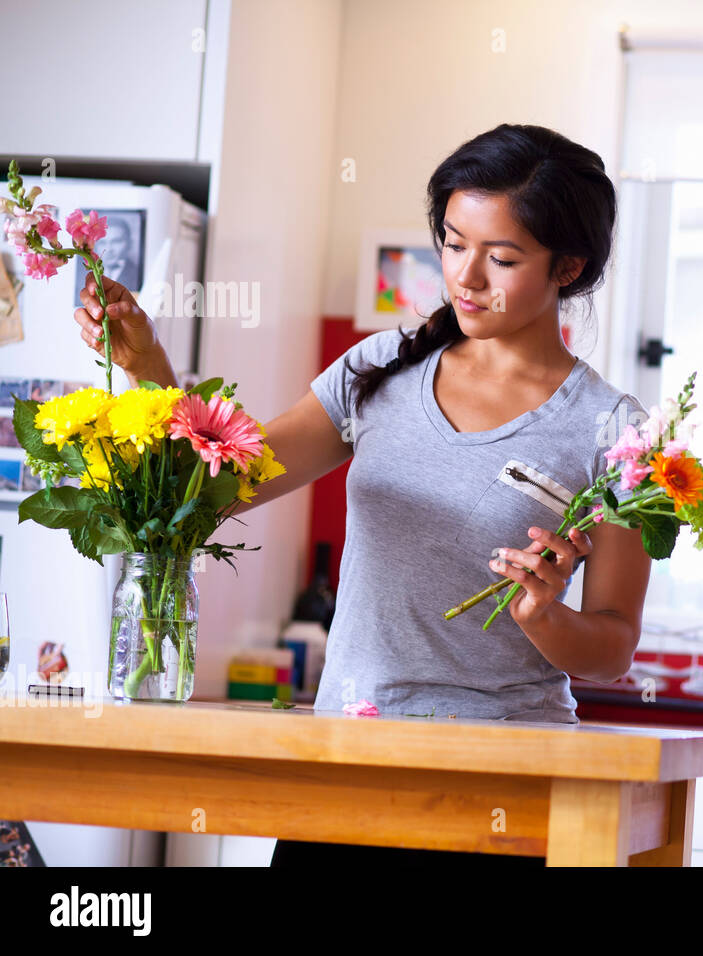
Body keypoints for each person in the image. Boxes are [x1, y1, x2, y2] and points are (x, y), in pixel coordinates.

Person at [72, 123, 653, 867]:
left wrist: (545, 617)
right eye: (452, 242)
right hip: (347, 759)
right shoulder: (379, 370)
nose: (466, 277)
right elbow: (212, 492)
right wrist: (148, 362)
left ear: (567, 267)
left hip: (503, 784)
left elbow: (611, 649)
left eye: (502, 257)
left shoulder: (614, 431)